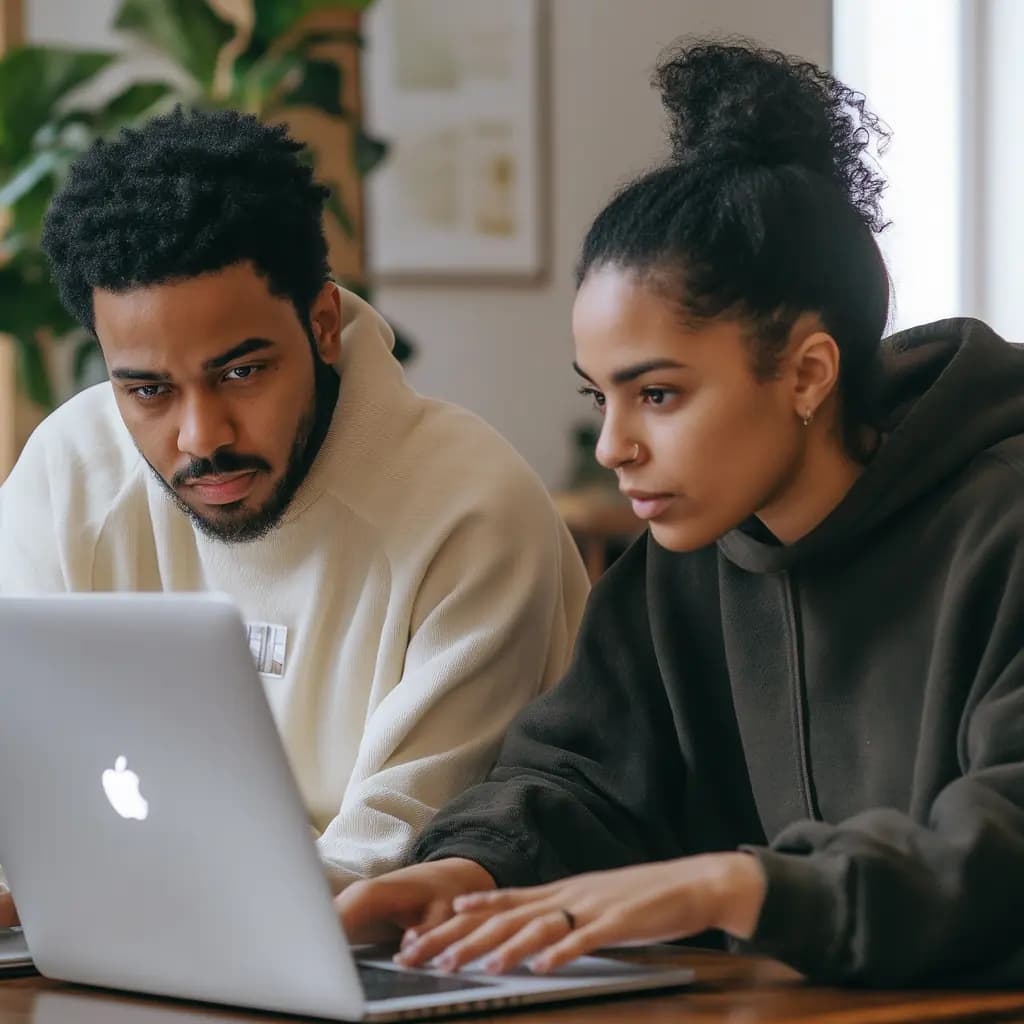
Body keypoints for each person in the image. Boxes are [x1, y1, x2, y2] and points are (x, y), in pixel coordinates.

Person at [337, 40, 1024, 987]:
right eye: (600, 398)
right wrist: (466, 872)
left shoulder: (1004, 522)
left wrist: (734, 888)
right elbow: (579, 780)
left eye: (656, 394)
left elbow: (1003, 846)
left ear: (807, 373)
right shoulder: (684, 557)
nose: (615, 445)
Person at [0, 108, 590, 926]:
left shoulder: (473, 510)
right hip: (127, 942)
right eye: (148, 390)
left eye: (241, 372)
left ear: (320, 324)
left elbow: (383, 869)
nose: (200, 437)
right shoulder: (70, 472)